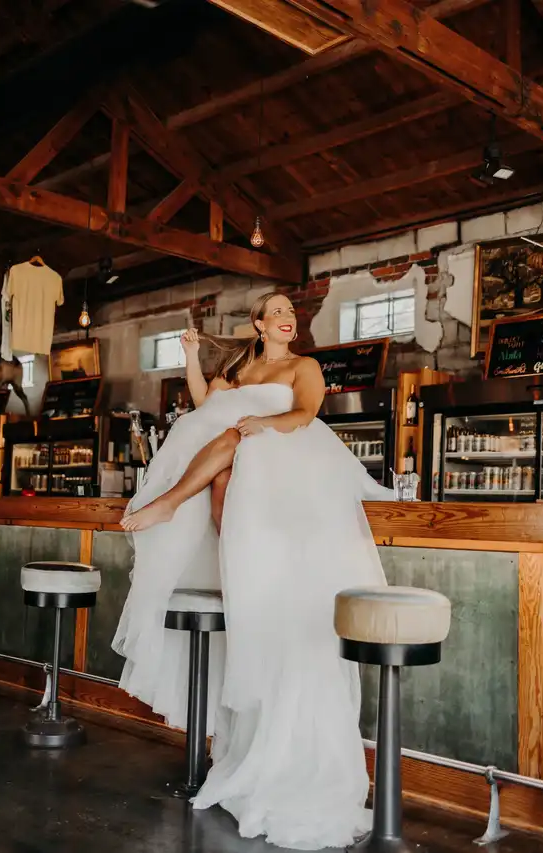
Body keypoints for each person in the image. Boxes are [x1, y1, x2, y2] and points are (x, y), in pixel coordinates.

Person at [113, 292, 393, 850]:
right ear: (259, 324)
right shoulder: (239, 368)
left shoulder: (303, 367)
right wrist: (190, 357)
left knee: (230, 440)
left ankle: (170, 503)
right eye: (278, 311)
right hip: (242, 480)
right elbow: (203, 405)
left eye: (293, 311)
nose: (289, 318)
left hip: (285, 466)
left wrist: (258, 424)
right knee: (222, 450)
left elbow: (304, 414)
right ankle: (210, 529)